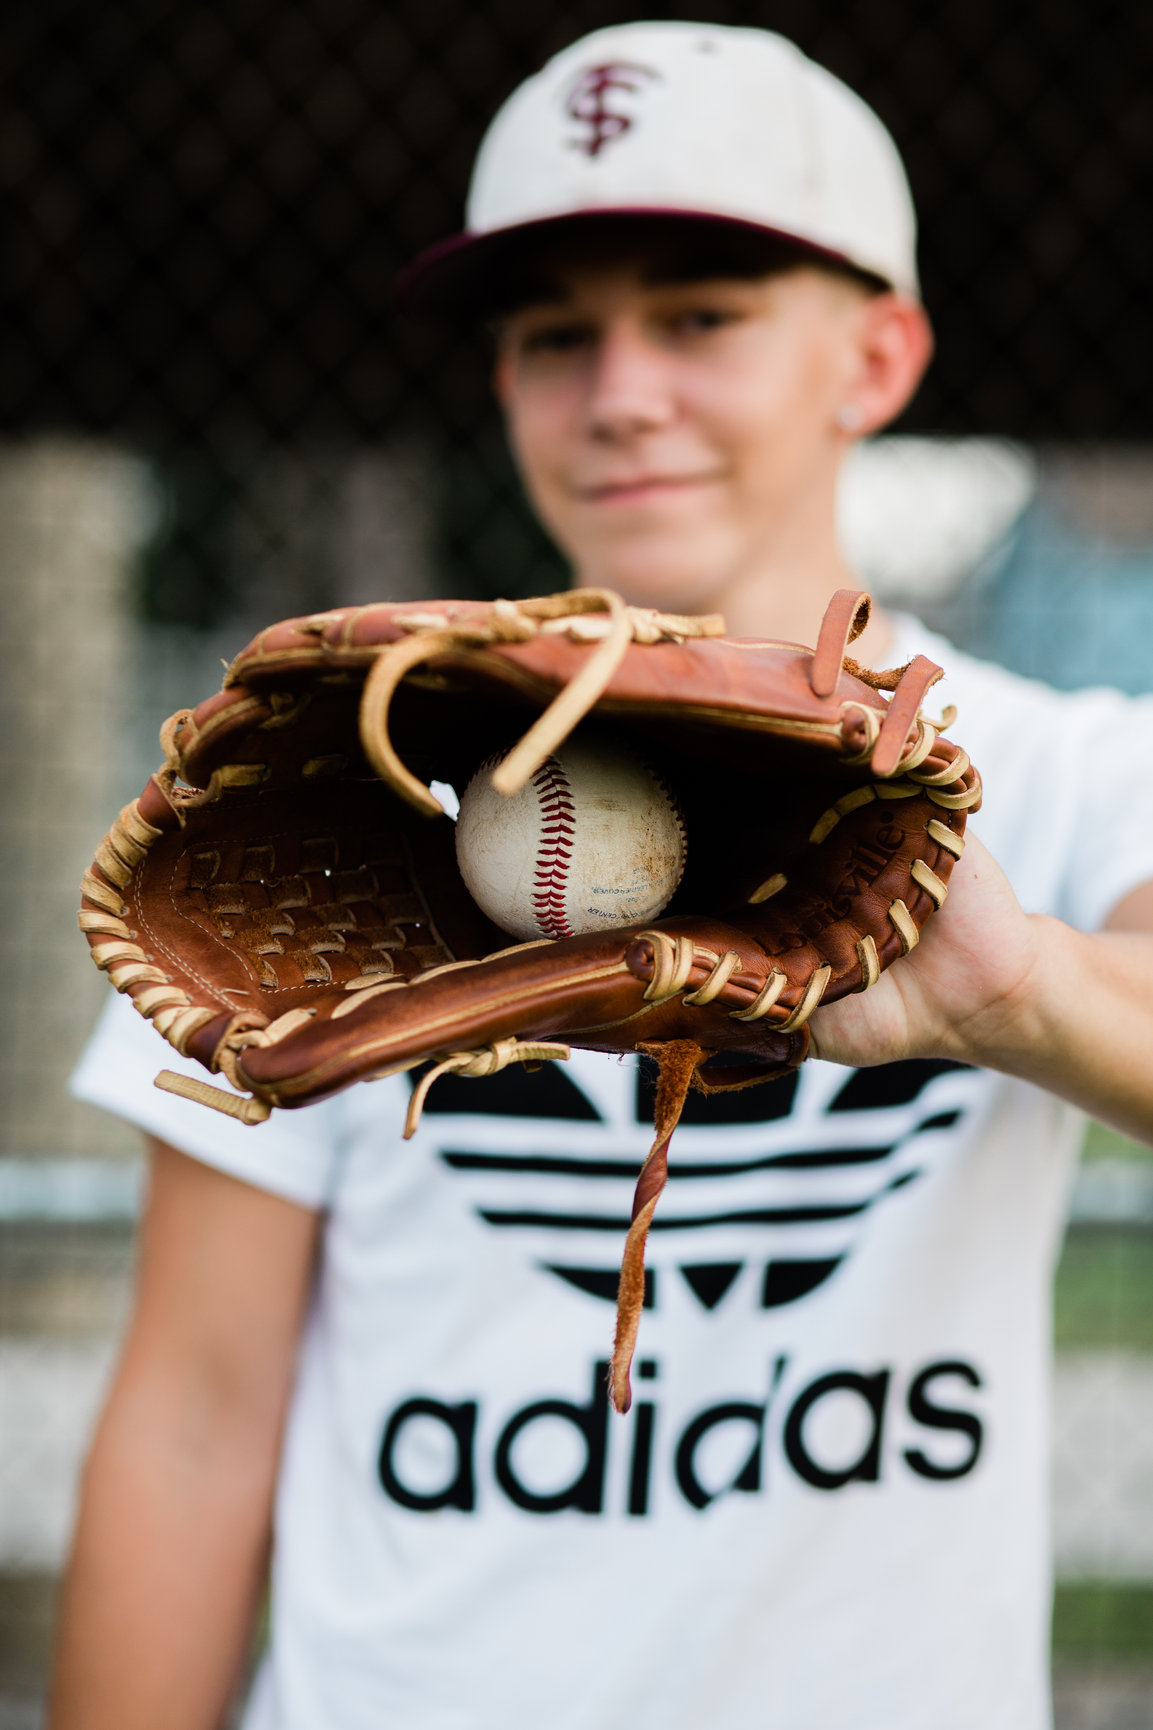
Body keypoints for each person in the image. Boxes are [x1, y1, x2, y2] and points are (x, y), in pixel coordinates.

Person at [52, 22, 1153, 1730]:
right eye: (553, 336)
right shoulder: (350, 792)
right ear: (502, 385)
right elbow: (196, 1415)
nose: (620, 391)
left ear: (873, 357)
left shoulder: (1062, 773)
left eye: (699, 316)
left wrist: (1019, 992)